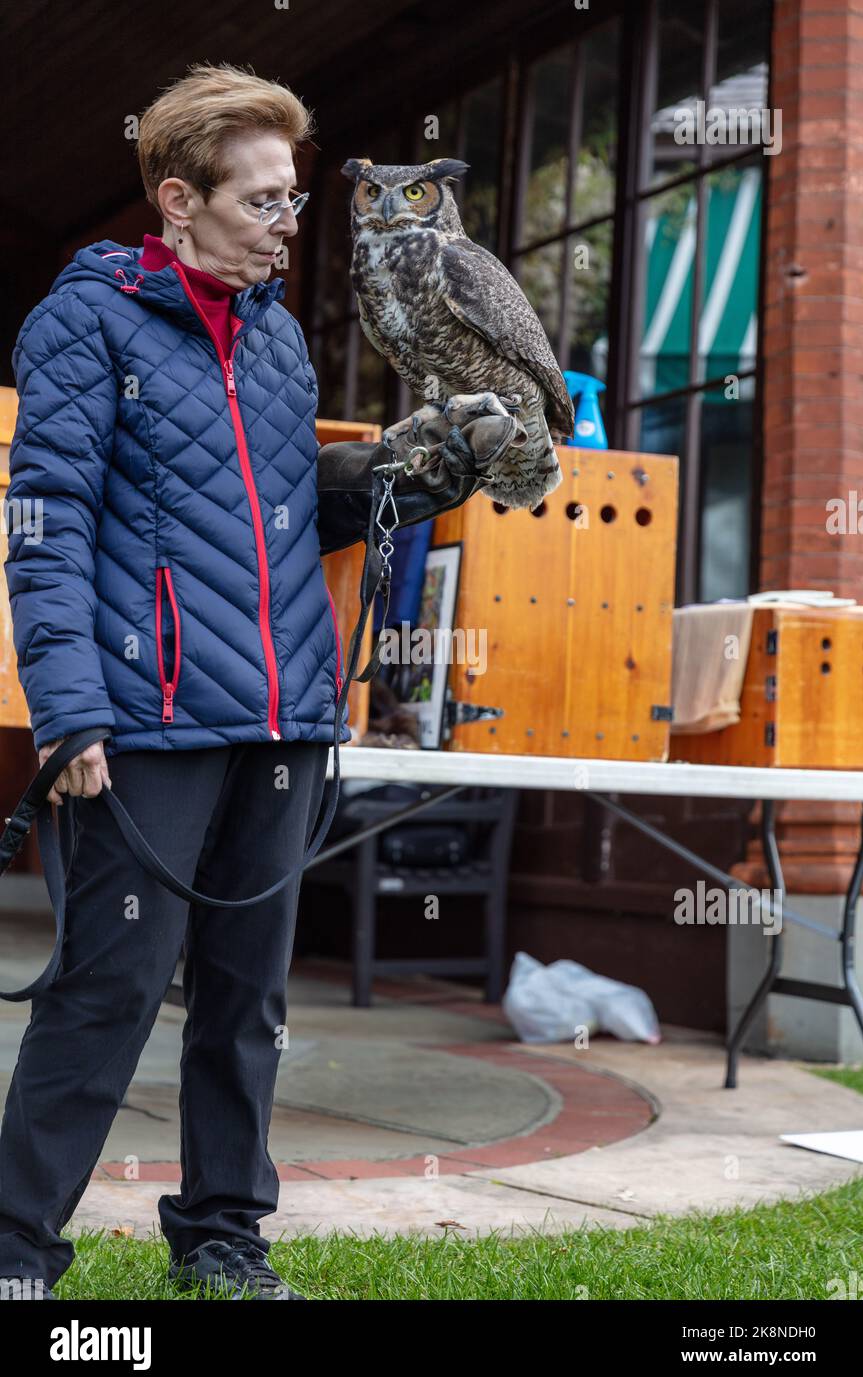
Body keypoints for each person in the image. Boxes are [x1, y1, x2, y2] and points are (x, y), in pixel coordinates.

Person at [0, 61, 518, 1300]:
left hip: (284, 715)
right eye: (265, 202)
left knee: (249, 999)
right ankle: (17, 1249)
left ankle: (224, 1237)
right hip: (150, 720)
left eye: (293, 200)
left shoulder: (276, 339)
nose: (290, 226)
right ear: (177, 200)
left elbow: (291, 520)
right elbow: (46, 516)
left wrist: (417, 474)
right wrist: (68, 708)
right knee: (109, 987)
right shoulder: (87, 321)